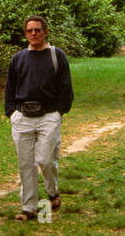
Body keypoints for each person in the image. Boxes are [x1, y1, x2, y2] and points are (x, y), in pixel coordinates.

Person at [4, 15, 73, 222]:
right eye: (29, 31)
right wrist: (11, 112)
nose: (33, 34)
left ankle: (53, 192)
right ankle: (29, 208)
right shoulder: (18, 59)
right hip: (22, 117)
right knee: (26, 164)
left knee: (45, 159)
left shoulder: (56, 56)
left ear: (45, 32)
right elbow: (10, 88)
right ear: (25, 34)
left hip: (48, 116)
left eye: (37, 30)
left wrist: (59, 112)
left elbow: (66, 87)